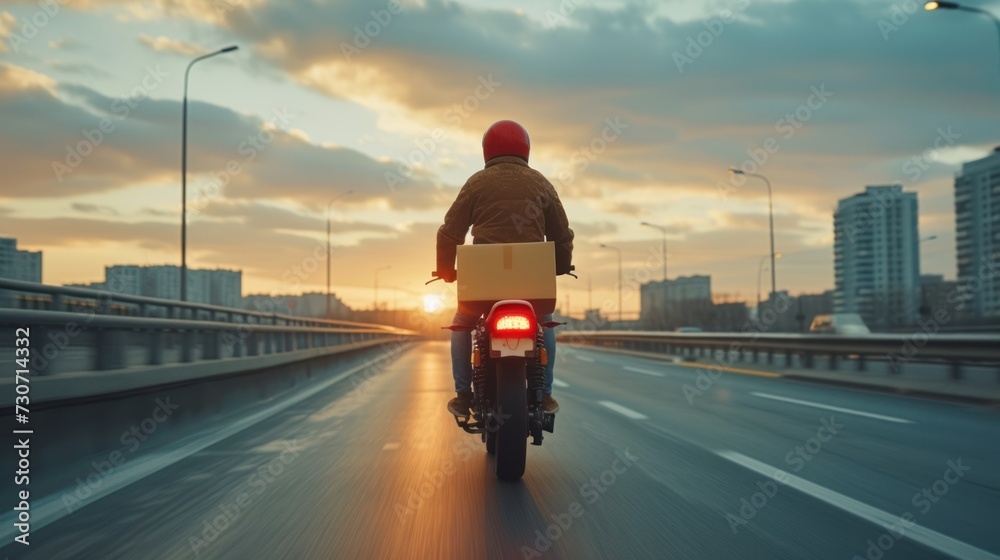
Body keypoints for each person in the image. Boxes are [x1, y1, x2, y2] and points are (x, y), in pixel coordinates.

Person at [435, 120, 574, 417]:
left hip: (483, 283)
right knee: (545, 321)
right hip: (532, 284)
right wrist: (561, 266)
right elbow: (561, 234)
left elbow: (450, 233)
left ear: (487, 150)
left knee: (461, 325)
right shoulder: (540, 182)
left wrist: (446, 270)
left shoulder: (476, 183)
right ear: (525, 149)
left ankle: (462, 394)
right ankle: (546, 394)